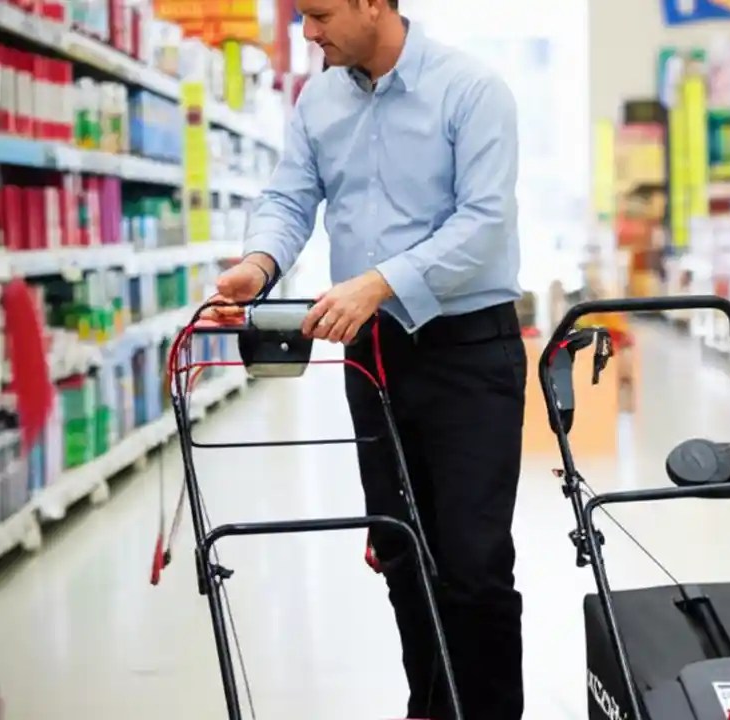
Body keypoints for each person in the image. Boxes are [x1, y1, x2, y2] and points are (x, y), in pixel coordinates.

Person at [208, 0, 525, 717]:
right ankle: (431, 707)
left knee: (474, 566)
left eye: (319, 14)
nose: (307, 32)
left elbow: (483, 222)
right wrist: (257, 266)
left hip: (469, 351)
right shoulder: (318, 99)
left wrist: (379, 284)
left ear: (374, 5)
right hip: (374, 355)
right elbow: (290, 198)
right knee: (399, 550)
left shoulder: (471, 90)